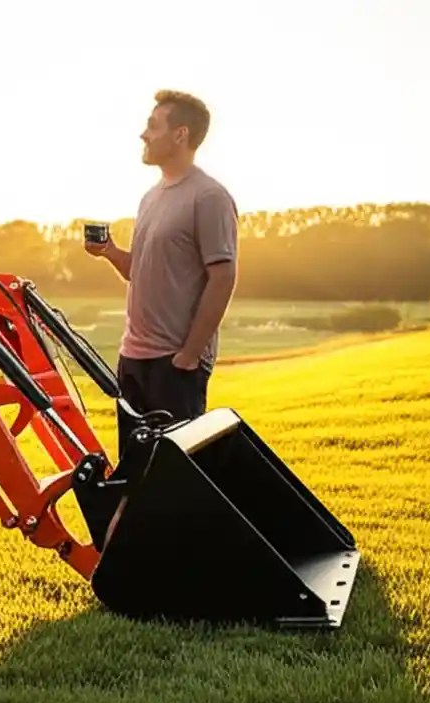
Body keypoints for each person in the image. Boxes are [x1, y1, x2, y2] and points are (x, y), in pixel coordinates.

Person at [87, 89, 239, 450]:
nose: (143, 134)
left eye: (153, 126)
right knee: (135, 474)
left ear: (181, 134)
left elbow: (223, 276)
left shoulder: (209, 197)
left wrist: (189, 355)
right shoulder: (150, 197)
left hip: (175, 367)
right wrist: (109, 252)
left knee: (174, 477)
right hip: (133, 361)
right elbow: (137, 271)